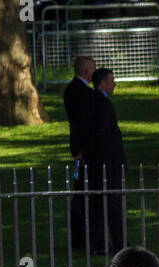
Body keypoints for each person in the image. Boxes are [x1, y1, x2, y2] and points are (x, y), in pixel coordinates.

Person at [85, 67, 125, 254]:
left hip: (99, 163)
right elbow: (101, 134)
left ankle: (99, 243)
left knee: (99, 205)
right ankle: (118, 242)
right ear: (103, 83)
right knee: (112, 204)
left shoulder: (93, 101)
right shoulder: (103, 104)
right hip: (107, 163)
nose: (114, 84)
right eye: (112, 80)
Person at [64, 55, 96, 251]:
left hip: (77, 150)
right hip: (82, 152)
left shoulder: (71, 90)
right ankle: (83, 237)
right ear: (86, 71)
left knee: (79, 189)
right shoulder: (83, 93)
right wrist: (84, 150)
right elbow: (83, 124)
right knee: (83, 192)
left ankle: (79, 237)